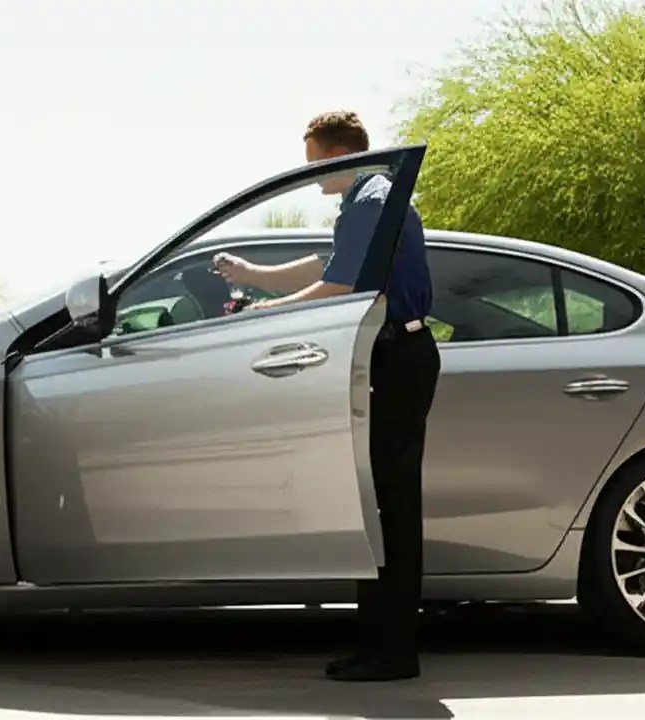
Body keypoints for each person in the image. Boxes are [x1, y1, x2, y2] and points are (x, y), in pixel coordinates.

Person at [214, 110, 440, 682]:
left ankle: (393, 652)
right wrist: (253, 273)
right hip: (391, 355)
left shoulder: (371, 198)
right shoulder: (368, 199)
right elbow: (327, 266)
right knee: (380, 502)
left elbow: (339, 286)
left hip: (398, 357)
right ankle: (380, 645)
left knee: (391, 506)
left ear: (342, 155)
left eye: (316, 163)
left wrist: (265, 312)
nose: (312, 176)